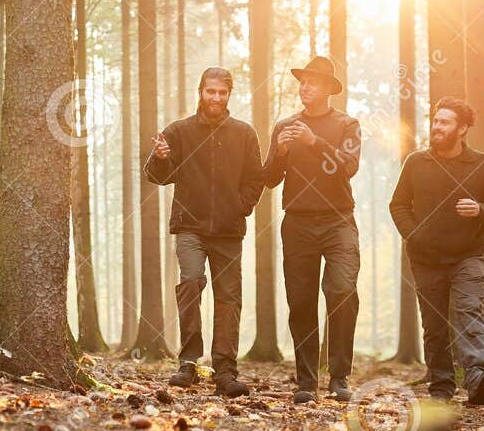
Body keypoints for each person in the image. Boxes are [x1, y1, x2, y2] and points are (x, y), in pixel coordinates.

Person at [144, 67, 264, 395]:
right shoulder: (179, 131)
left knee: (228, 298)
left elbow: (256, 178)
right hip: (190, 226)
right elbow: (157, 176)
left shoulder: (244, 133)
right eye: (210, 91)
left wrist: (241, 206)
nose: (215, 98)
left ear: (229, 95)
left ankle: (225, 371)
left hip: (228, 230)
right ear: (200, 92)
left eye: (222, 92)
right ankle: (190, 364)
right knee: (192, 282)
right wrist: (161, 158)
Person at [389, 97, 484, 405]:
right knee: (434, 324)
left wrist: (480, 209)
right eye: (435, 120)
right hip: (426, 259)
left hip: (468, 255)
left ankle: (479, 376)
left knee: (469, 311)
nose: (436, 126)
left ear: (463, 129)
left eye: (445, 122)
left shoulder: (482, 163)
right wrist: (413, 234)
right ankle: (441, 388)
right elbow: (398, 204)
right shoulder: (416, 162)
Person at [263, 56, 361, 404]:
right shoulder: (285, 126)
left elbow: (348, 166)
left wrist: (313, 142)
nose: (305, 86)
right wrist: (281, 151)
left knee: (342, 290)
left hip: (338, 221)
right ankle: (306, 382)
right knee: (301, 301)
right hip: (298, 222)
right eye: (302, 81)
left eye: (313, 82)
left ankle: (339, 378)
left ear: (328, 90)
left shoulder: (347, 124)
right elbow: (270, 179)